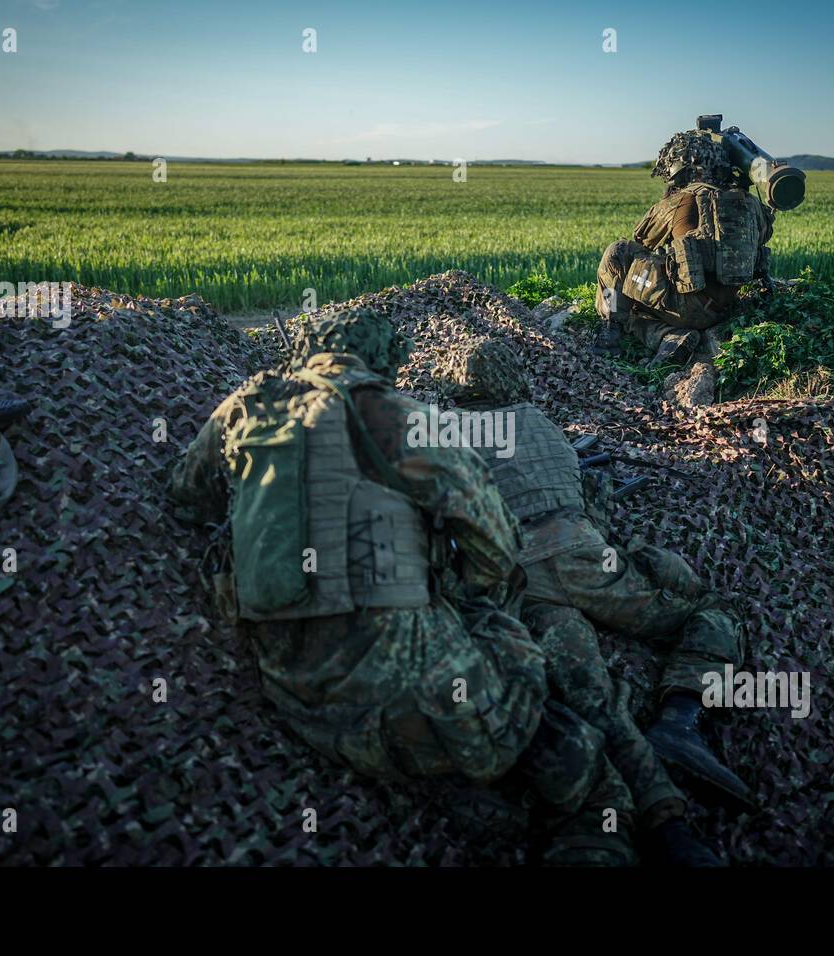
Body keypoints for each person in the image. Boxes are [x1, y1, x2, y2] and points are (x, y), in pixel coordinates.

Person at [167, 306, 648, 865]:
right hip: (410, 696)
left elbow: (186, 495)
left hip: (294, 691)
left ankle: (469, 789)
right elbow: (494, 542)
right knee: (581, 765)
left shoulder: (245, 406)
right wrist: (466, 601)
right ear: (385, 361)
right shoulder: (404, 418)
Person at [438, 338, 752, 818]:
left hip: (517, 583)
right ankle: (680, 719)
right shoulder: (542, 425)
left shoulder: (441, 439)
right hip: (586, 563)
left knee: (590, 692)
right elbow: (589, 514)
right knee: (712, 613)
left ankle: (652, 807)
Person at [594, 122, 775, 364]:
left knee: (618, 253)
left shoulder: (681, 200)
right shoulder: (750, 204)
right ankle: (672, 338)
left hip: (683, 307)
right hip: (723, 309)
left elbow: (641, 240)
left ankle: (614, 333)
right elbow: (763, 237)